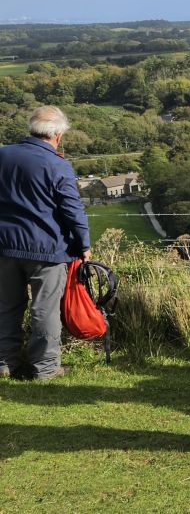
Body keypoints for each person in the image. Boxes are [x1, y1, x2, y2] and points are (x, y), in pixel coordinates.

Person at [0, 106, 89, 380]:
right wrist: (83, 243)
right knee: (44, 309)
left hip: (3, 246)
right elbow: (72, 209)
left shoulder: (3, 155)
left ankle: (4, 363)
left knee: (6, 306)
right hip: (46, 249)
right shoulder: (56, 164)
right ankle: (46, 368)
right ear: (58, 135)